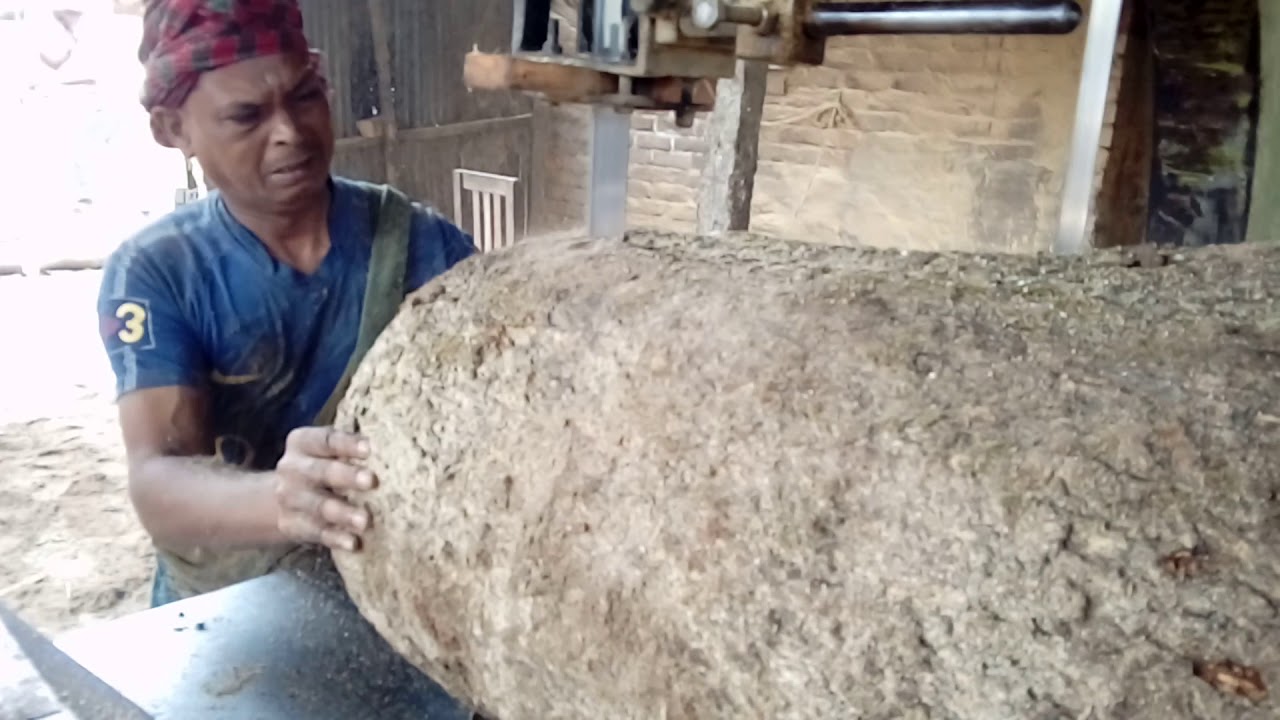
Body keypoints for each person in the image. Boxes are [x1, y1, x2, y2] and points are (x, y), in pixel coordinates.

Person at [96, 0, 476, 608]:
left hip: (388, 593)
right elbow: (157, 481)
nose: (290, 134)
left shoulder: (422, 247)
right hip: (225, 609)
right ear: (174, 130)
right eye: (246, 117)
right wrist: (281, 498)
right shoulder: (158, 272)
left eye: (304, 97)